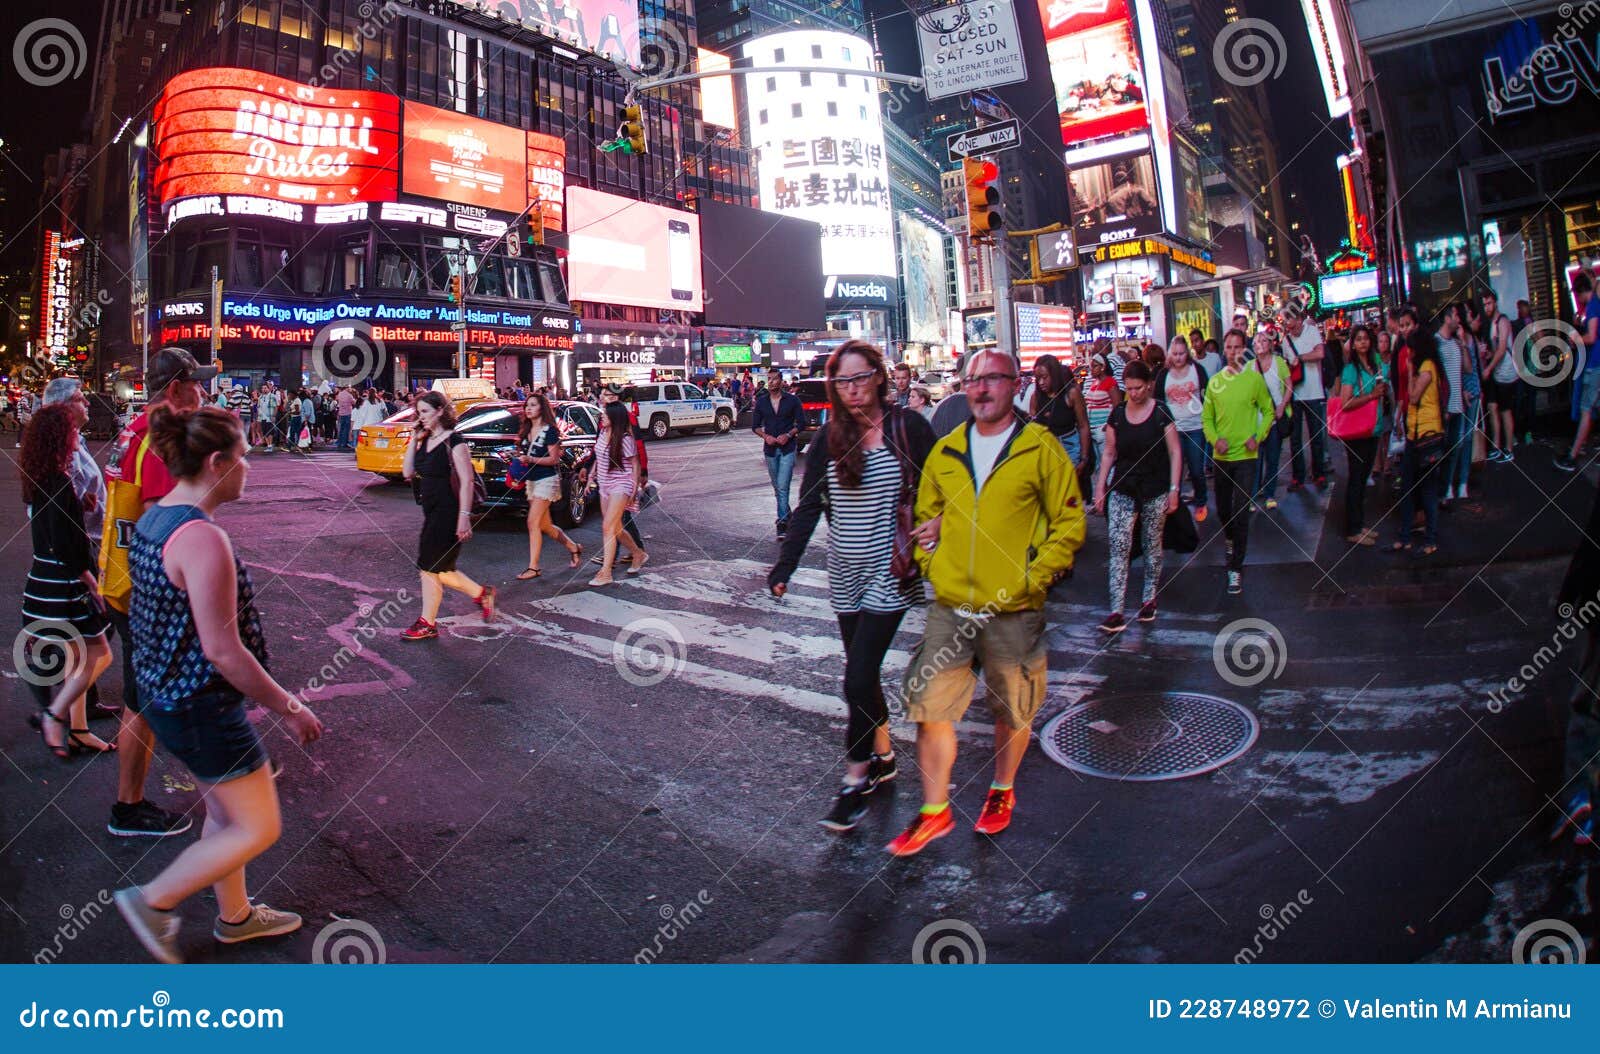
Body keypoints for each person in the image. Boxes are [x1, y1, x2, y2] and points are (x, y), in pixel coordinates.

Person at [113, 405, 324, 964]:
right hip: (201, 707)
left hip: (163, 696)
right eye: (244, 458)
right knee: (258, 825)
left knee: (225, 815)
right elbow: (223, 649)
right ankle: (154, 901)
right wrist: (290, 706)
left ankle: (235, 918)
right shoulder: (203, 539)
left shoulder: (158, 516)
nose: (249, 468)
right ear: (216, 463)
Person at [887, 349, 1086, 857]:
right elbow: (925, 520)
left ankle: (1002, 789)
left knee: (1011, 709)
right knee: (929, 706)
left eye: (992, 380)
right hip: (952, 606)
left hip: (1013, 607)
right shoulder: (947, 450)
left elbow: (1069, 524)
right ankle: (935, 811)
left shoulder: (1039, 448)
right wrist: (935, 567)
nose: (979, 389)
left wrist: (1032, 578)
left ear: (1012, 384)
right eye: (971, 380)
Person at [769, 340, 936, 832]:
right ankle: (883, 754)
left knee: (858, 676)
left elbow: (948, 482)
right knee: (862, 675)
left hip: (892, 573)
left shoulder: (909, 428)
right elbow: (809, 508)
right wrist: (785, 567)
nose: (851, 389)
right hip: (844, 574)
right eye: (841, 381)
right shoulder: (828, 438)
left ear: (880, 377)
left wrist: (941, 519)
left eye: (859, 378)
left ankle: (853, 782)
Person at [100, 347, 215, 838]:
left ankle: (134, 803)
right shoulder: (162, 437)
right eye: (197, 383)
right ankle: (129, 808)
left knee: (141, 698)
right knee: (148, 700)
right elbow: (161, 524)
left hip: (120, 579)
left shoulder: (134, 429)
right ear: (175, 389)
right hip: (145, 589)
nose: (204, 392)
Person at [20, 403, 115, 758]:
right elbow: (67, 545)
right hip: (63, 585)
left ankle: (78, 730)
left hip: (42, 580)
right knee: (100, 653)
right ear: (61, 437)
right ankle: (54, 714)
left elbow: (55, 527)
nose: (77, 435)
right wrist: (92, 582)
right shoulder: (58, 482)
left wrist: (80, 506)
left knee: (78, 658)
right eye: (72, 430)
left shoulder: (40, 478)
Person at [1093, 359, 1181, 633]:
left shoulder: (1160, 413)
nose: (1134, 393)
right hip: (1123, 487)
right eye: (1129, 388)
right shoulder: (1118, 414)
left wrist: (1174, 489)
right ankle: (1116, 610)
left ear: (1149, 386)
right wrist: (1100, 486)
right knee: (1119, 547)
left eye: (1139, 388)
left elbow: (1175, 451)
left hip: (1155, 488)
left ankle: (1148, 599)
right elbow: (1109, 451)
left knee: (1152, 544)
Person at [399, 391, 495, 639]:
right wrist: (413, 439)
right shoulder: (425, 439)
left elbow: (467, 481)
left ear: (440, 411)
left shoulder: (455, 441)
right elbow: (408, 472)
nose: (422, 418)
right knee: (442, 569)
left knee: (428, 567)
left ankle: (427, 622)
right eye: (419, 413)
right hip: (431, 510)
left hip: (449, 511)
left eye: (426, 412)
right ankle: (482, 593)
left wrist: (464, 516)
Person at [1203, 329, 1275, 595]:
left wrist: (1258, 436)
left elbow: (1268, 411)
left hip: (1246, 457)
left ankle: (1235, 568)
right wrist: (1214, 439)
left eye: (1237, 347)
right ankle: (1230, 538)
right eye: (1229, 347)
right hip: (1222, 457)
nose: (1233, 352)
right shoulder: (1215, 383)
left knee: (1241, 511)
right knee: (1223, 510)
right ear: (1225, 350)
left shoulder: (1254, 380)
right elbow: (1206, 418)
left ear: (1245, 349)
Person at [1391, 330, 1448, 556]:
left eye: (1411, 349)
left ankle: (1430, 539)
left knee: (1427, 490)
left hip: (1428, 437)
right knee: (1408, 488)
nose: (1409, 353)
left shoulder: (1426, 368)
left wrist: (1411, 370)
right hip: (1415, 436)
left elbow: (1413, 396)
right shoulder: (1425, 367)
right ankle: (1406, 536)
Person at [513, 392, 581, 580]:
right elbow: (526, 455)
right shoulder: (526, 430)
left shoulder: (550, 430)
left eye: (533, 405)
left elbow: (554, 459)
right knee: (546, 526)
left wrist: (531, 458)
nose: (528, 408)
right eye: (527, 405)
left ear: (542, 408)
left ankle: (533, 567)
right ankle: (573, 547)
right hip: (532, 480)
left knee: (532, 522)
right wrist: (520, 460)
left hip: (547, 480)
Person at [1331, 324, 1388, 546]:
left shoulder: (1374, 364)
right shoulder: (1351, 369)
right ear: (1352, 344)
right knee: (1356, 479)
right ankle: (1353, 529)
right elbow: (1345, 403)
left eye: (1366, 339)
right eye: (1359, 339)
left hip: (1372, 428)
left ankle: (1359, 524)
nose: (1363, 342)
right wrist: (1372, 395)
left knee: (1363, 478)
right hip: (1357, 432)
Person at [589, 401, 649, 586]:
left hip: (621, 484)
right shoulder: (603, 433)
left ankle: (606, 572)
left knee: (608, 526)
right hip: (604, 484)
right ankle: (638, 553)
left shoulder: (624, 438)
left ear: (615, 418)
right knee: (615, 528)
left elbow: (635, 463)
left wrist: (634, 487)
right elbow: (599, 458)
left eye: (605, 415)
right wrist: (591, 476)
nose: (602, 416)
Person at [1154, 337, 1209, 523]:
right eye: (1175, 354)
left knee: (1196, 470)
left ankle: (1201, 501)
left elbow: (1207, 395)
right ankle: (1172, 503)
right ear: (1170, 354)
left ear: (1188, 353)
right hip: (1172, 429)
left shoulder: (1197, 371)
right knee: (1172, 470)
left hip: (1195, 426)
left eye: (1182, 353)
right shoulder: (1163, 375)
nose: (1178, 358)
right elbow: (1158, 401)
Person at [751, 367, 802, 538]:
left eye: (774, 379)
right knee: (777, 487)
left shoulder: (792, 401)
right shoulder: (762, 402)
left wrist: (788, 435)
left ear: (781, 381)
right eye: (769, 379)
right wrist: (765, 436)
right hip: (770, 450)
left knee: (782, 485)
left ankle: (781, 523)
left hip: (787, 448)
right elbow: (755, 426)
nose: (771, 382)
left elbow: (801, 423)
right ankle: (788, 515)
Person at [1557, 272, 1600, 472]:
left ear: (1583, 291)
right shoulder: (1593, 306)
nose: (1578, 299)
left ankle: (1572, 456)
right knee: (1590, 410)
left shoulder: (1592, 306)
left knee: (1586, 410)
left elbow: (1591, 336)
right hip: (1595, 364)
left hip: (1595, 365)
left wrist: (1575, 340)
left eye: (1578, 295)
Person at [1280, 311, 1328, 489]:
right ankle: (1297, 477)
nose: (1288, 325)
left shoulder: (1312, 331)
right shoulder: (1285, 341)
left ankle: (1319, 473)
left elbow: (1320, 353)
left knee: (1316, 435)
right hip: (1295, 394)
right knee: (1295, 438)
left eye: (1290, 320)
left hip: (1313, 393)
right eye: (1286, 322)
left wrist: (1300, 358)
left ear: (1299, 319)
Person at [1251, 331, 1293, 511]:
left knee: (1273, 458)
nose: (1259, 344)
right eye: (1256, 341)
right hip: (1255, 422)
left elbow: (1289, 385)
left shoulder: (1279, 363)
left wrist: (1282, 405)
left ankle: (1269, 494)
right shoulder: (1249, 366)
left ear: (1270, 344)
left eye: (1263, 340)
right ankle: (1251, 496)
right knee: (1255, 460)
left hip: (1275, 420)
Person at [1027, 354, 1090, 473]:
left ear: (1054, 375)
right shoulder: (1035, 397)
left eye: (1045, 377)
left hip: (1069, 447)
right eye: (1038, 378)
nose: (1041, 382)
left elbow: (1083, 425)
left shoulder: (1072, 393)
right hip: (1045, 449)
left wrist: (1084, 457)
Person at [1480, 288, 1517, 463]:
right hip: (1498, 372)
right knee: (1496, 408)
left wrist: (1489, 367)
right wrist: (1488, 356)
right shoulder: (1493, 324)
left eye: (1489, 303)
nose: (1487, 307)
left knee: (1505, 410)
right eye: (1485, 304)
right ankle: (1497, 446)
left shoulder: (1502, 321)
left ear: (1495, 303)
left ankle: (1509, 448)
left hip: (1506, 372)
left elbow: (1502, 350)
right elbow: (1496, 350)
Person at [1083, 351, 1121, 469]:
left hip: (1103, 429)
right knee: (1098, 466)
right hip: (1093, 430)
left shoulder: (1110, 382)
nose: (1091, 370)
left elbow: (1117, 405)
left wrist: (1108, 425)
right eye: (1091, 367)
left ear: (1103, 367)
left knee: (1108, 464)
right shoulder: (1094, 383)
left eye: (1095, 366)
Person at [256, 383, 279, 453]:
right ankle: (268, 445)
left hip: (270, 417)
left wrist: (274, 416)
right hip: (262, 417)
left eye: (265, 388)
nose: (264, 389)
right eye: (263, 388)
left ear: (269, 388)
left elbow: (276, 407)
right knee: (264, 431)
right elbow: (258, 407)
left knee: (270, 432)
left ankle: (270, 446)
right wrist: (258, 416)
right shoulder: (260, 397)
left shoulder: (272, 396)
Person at [335, 385, 356, 451]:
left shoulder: (340, 394)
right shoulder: (349, 395)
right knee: (346, 429)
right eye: (349, 387)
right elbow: (353, 402)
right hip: (348, 413)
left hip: (341, 413)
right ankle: (344, 443)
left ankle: (339, 443)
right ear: (347, 388)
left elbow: (338, 401)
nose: (350, 389)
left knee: (341, 429)